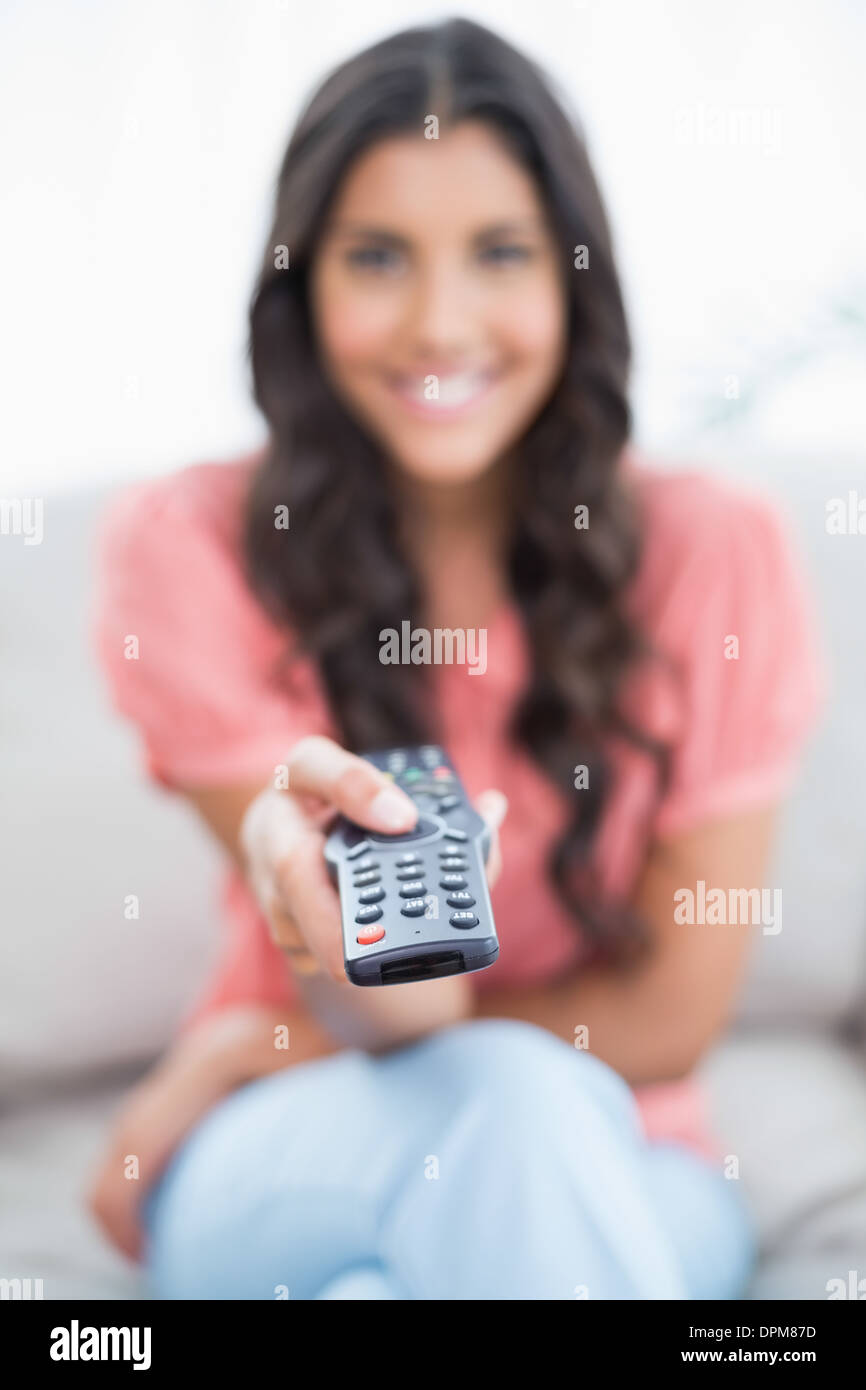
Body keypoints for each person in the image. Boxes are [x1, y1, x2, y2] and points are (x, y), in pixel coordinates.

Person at [85, 17, 824, 1300]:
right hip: (301, 1149)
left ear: (572, 280)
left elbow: (664, 1021)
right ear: (301, 281)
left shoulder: (716, 551)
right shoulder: (188, 546)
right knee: (516, 1103)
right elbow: (396, 1017)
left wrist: (255, 1040)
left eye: (498, 253)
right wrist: (320, 941)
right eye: (376, 257)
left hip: (624, 1147)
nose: (439, 322)